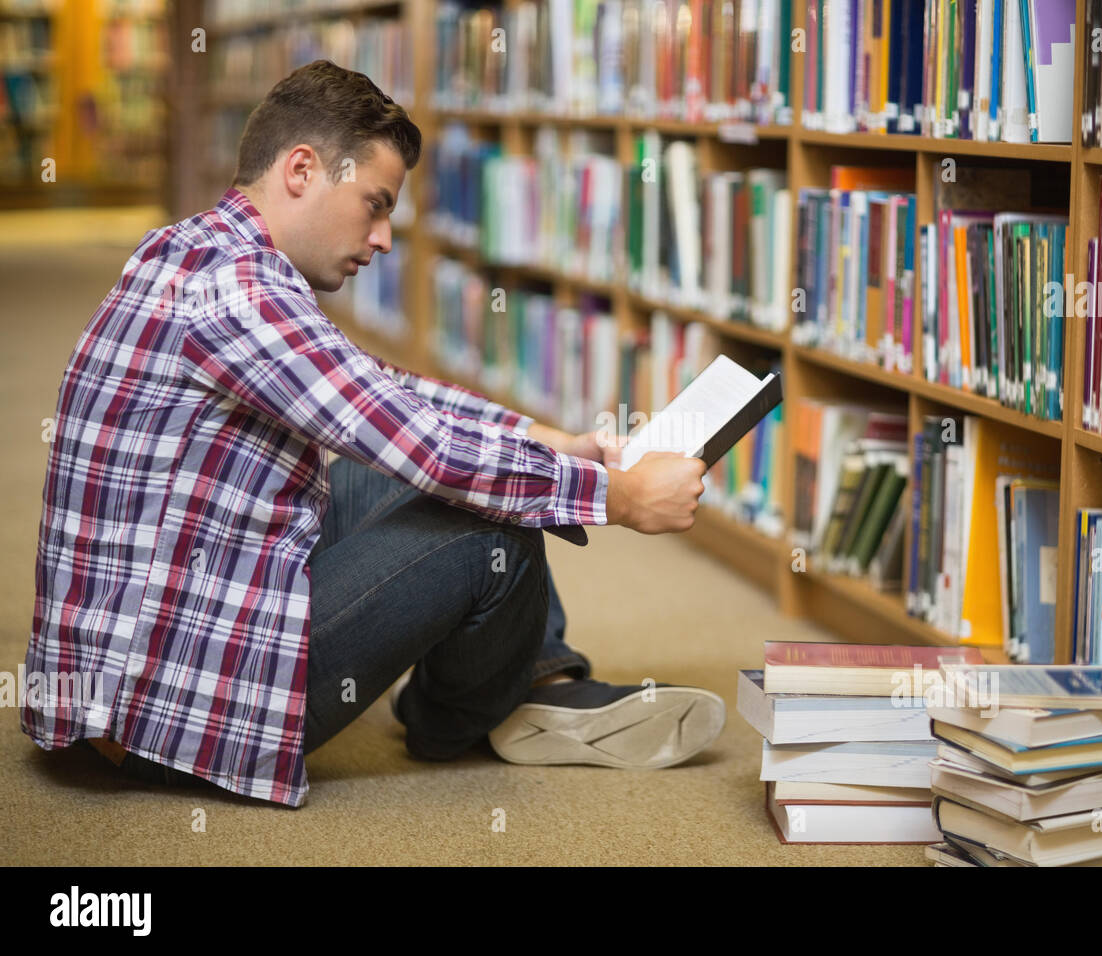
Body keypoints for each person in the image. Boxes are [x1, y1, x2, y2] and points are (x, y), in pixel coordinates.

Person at [21, 60, 725, 809]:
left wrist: (537, 435)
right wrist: (618, 495)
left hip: (146, 659)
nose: (385, 238)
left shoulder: (201, 250)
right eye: (375, 205)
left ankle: (536, 679)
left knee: (447, 470)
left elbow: (377, 391)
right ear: (302, 170)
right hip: (167, 718)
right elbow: (429, 450)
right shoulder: (238, 290)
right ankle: (456, 714)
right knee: (495, 530)